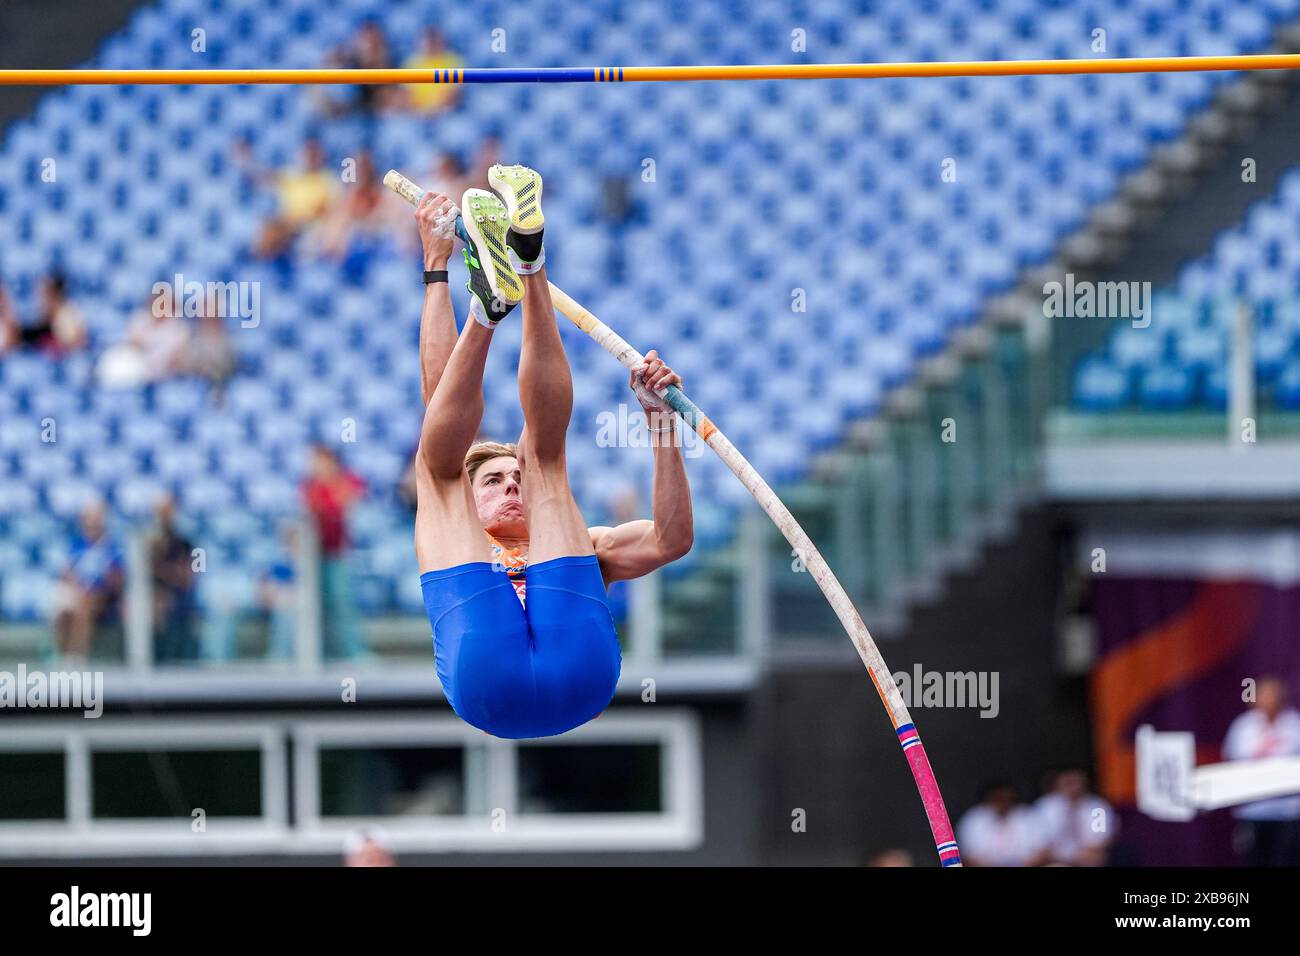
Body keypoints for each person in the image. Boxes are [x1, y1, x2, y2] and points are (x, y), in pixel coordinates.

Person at [411, 164, 693, 740]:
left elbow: (672, 540)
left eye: (510, 479)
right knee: (521, 460)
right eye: (491, 482)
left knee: (497, 460)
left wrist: (661, 430)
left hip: (517, 682)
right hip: (555, 678)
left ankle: (515, 280)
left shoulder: (594, 548)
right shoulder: (492, 526)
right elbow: (442, 399)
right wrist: (433, 269)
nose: (510, 486)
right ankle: (522, 273)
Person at [1223, 675, 1300, 866]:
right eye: (1264, 694)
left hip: (1287, 812)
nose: (1268, 699)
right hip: (1252, 811)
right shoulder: (1244, 726)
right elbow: (1231, 760)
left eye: (1272, 694)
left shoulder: (1294, 726)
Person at [301, 444, 368, 660]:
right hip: (315, 559)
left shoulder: (345, 483)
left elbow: (348, 504)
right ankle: (327, 654)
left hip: (339, 556)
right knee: (320, 607)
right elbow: (312, 512)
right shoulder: (311, 488)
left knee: (343, 603)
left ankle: (353, 652)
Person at [238, 138, 336, 261]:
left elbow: (332, 212)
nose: (310, 158)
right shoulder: (292, 176)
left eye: (314, 155)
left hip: (309, 229)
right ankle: (264, 252)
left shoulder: (328, 181)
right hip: (288, 225)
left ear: (321, 158)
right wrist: (246, 160)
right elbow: (261, 178)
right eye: (307, 154)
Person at [51, 501, 123, 661]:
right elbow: (66, 571)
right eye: (88, 519)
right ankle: (62, 657)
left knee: (84, 606)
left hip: (103, 597)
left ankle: (78, 657)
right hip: (78, 592)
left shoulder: (112, 546)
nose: (91, 524)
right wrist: (76, 583)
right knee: (64, 611)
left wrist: (97, 587)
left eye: (95, 519)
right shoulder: (76, 544)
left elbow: (117, 577)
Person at [96, 287, 190, 387]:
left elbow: (170, 357)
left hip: (158, 371)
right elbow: (129, 342)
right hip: (135, 361)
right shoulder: (141, 317)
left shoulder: (178, 329)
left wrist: (145, 346)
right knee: (117, 359)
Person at [149, 494, 199, 663]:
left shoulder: (184, 543)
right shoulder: (148, 542)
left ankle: (165, 661)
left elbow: (189, 577)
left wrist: (164, 571)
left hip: (175, 596)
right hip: (151, 594)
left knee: (161, 605)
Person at [1033, 768, 1117, 866]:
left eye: (1076, 782)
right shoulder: (1046, 806)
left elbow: (1098, 845)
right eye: (1068, 783)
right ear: (1057, 784)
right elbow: (1040, 843)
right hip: (1054, 860)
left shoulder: (1098, 808)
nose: (1073, 787)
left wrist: (1063, 856)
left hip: (1085, 860)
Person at [956, 783, 1049, 867]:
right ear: (989, 799)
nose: (1002, 803)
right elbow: (967, 856)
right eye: (997, 799)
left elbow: (1043, 851)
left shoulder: (1027, 815)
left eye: (1005, 798)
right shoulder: (974, 818)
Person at [2, 272, 87, 355]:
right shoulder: (44, 319)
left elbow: (75, 344)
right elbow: (20, 337)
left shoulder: (67, 315)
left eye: (45, 295)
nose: (41, 300)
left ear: (55, 295)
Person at [400, 28, 463, 114]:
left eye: (435, 41)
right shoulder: (412, 63)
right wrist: (421, 112)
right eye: (429, 41)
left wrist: (434, 111)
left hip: (446, 112)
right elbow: (406, 95)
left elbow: (454, 94)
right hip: (417, 114)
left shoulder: (452, 61)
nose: (432, 45)